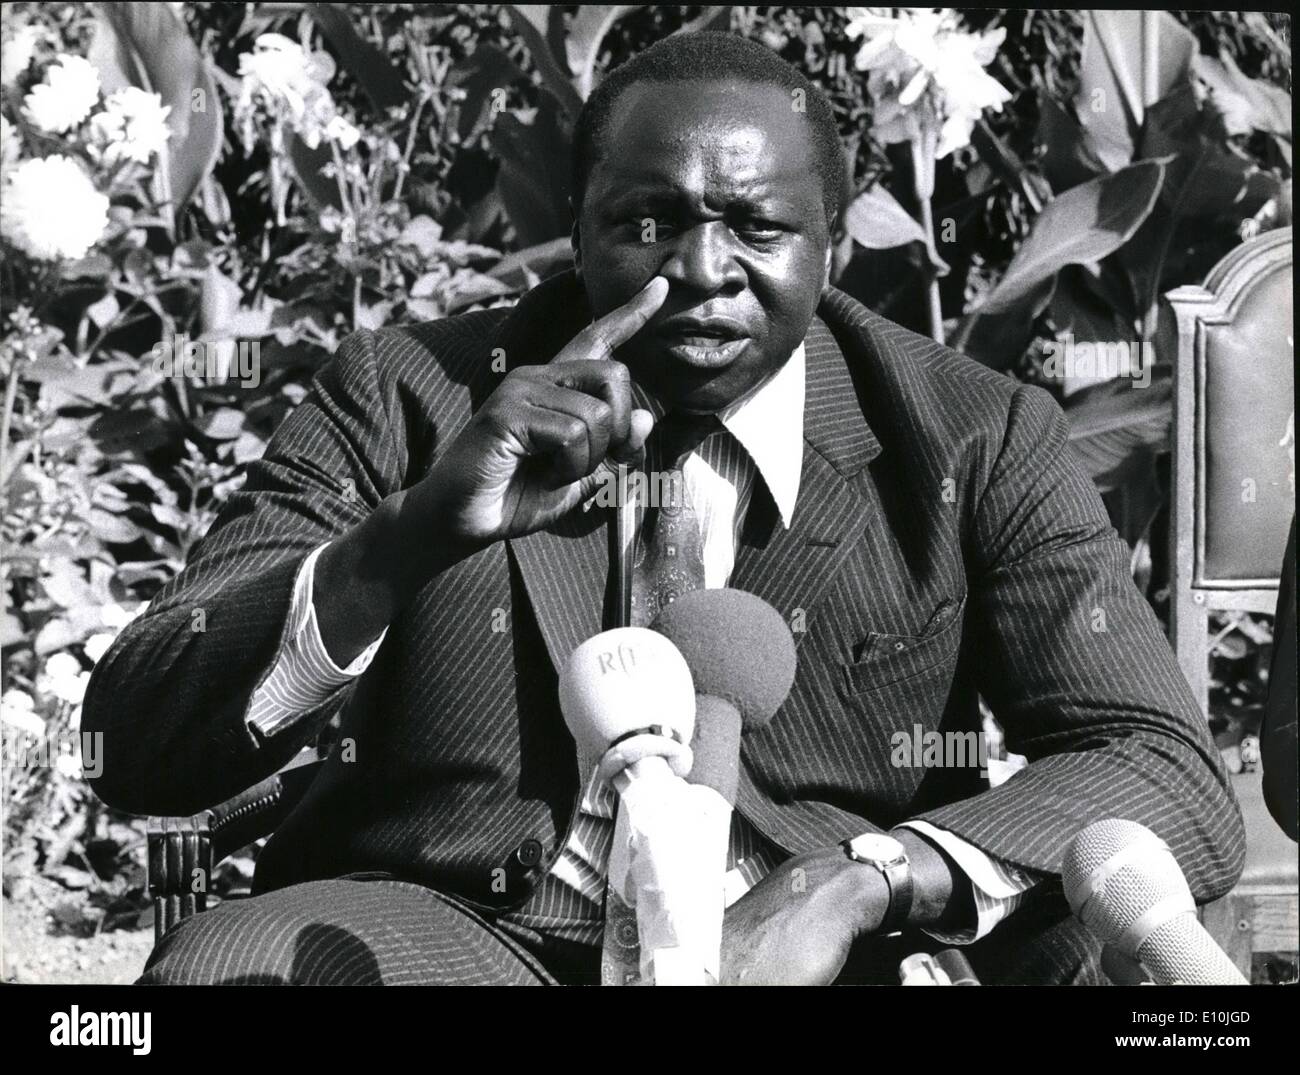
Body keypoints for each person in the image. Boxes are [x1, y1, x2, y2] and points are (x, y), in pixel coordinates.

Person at [83, 32, 1244, 986]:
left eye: (755, 225)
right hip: (473, 936)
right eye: (646, 222)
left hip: (829, 944)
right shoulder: (406, 395)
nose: (697, 268)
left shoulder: (972, 432)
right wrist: (409, 534)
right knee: (228, 967)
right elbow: (135, 745)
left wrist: (863, 878)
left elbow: (1158, 763)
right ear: (576, 225)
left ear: (830, 244)